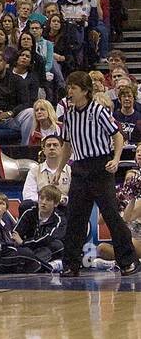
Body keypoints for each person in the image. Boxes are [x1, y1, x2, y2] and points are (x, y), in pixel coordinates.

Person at [59, 71, 140, 276]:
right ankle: (71, 264)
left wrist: (116, 159)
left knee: (112, 216)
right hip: (79, 167)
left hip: (101, 167)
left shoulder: (98, 111)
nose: (69, 91)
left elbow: (118, 135)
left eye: (74, 88)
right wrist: (59, 169)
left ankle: (128, 261)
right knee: (76, 217)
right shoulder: (68, 115)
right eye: (69, 87)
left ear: (85, 91)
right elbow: (67, 144)